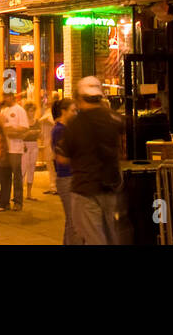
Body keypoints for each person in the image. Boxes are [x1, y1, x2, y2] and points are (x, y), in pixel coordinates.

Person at [59, 77, 123, 245]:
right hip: (110, 187)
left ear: (79, 98)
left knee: (94, 236)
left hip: (85, 188)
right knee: (110, 234)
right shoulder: (113, 118)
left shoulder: (75, 124)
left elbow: (62, 157)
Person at [51, 98, 80, 244]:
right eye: (73, 110)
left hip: (71, 177)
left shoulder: (67, 129)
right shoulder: (59, 131)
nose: (76, 113)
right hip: (66, 178)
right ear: (64, 111)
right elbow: (62, 158)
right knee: (74, 221)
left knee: (73, 220)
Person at [0, 91, 29, 210]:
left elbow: (25, 127)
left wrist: (13, 131)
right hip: (5, 148)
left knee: (17, 175)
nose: (4, 100)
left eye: (6, 97)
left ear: (11, 97)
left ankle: (18, 201)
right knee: (5, 176)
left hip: (16, 149)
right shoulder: (3, 111)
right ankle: (4, 201)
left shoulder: (19, 110)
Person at [22, 101, 42, 200]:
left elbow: (40, 136)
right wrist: (30, 132)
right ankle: (19, 193)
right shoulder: (24, 122)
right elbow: (22, 136)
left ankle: (29, 193)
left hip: (34, 145)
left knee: (31, 169)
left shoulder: (37, 122)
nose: (32, 113)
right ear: (26, 111)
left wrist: (38, 133)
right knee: (23, 169)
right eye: (30, 111)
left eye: (33, 111)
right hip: (25, 145)